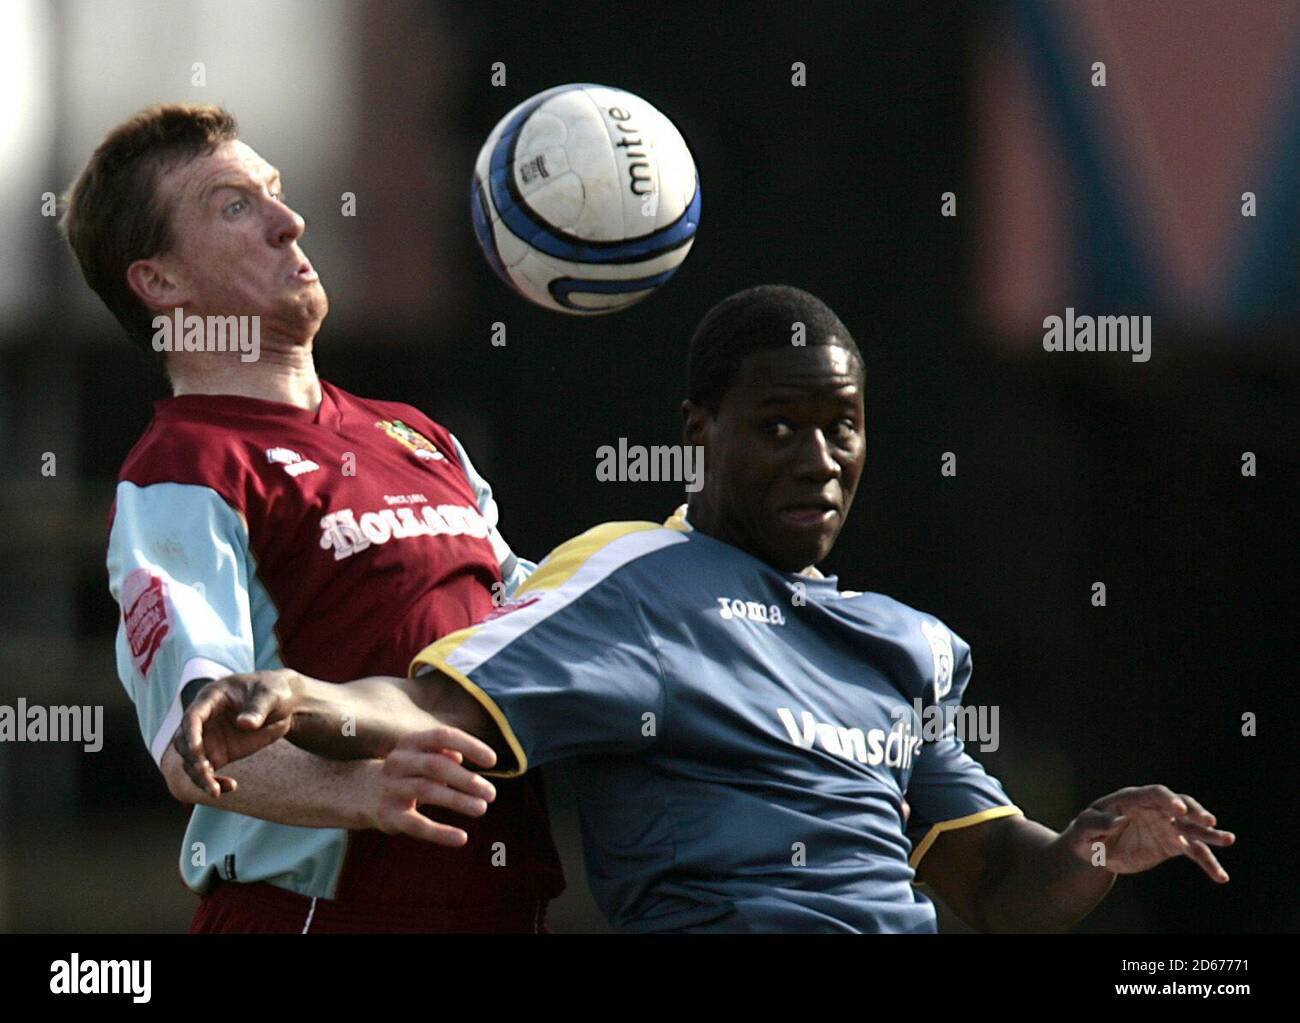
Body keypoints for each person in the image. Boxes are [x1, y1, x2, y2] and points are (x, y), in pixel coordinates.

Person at [178, 285, 1234, 933]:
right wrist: (295, 696)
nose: (819, 460)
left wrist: (1095, 846)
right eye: (779, 426)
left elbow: (1002, 886)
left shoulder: (897, 645)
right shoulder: (637, 584)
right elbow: (432, 710)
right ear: (702, 430)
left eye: (843, 427)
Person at [61, 103, 563, 932]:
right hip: (314, 915)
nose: (289, 222)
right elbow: (199, 743)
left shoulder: (417, 433)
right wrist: (354, 789)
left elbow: (535, 627)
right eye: (235, 206)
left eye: (276, 193)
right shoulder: (185, 468)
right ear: (160, 282)